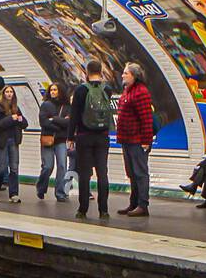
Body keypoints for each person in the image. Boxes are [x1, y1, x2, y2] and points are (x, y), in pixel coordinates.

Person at [69, 59, 112, 220]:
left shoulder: (81, 90)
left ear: (87, 72)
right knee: (102, 173)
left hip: (84, 136)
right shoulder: (107, 89)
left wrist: (70, 136)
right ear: (101, 71)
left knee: (85, 173)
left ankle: (83, 209)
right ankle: (104, 210)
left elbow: (74, 116)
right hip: (102, 137)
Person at [115, 62, 155, 217]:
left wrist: (146, 141)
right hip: (126, 139)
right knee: (131, 172)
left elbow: (146, 118)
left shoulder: (141, 92)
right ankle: (134, 202)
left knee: (140, 172)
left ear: (134, 75)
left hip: (137, 140)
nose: (123, 75)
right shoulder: (127, 91)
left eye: (126, 73)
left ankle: (143, 204)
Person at [0, 85, 27, 203]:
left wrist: (20, 120)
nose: (9, 94)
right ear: (3, 94)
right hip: (2, 141)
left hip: (14, 140)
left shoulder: (16, 108)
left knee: (14, 168)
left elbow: (24, 123)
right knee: (1, 166)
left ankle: (14, 194)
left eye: (11, 92)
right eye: (7, 92)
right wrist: (11, 119)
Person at [36, 82, 71, 202]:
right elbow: (44, 122)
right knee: (47, 167)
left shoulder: (67, 107)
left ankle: (60, 193)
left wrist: (54, 119)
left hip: (61, 141)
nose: (53, 92)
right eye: (51, 90)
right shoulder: (45, 105)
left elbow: (69, 123)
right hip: (48, 139)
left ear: (60, 91)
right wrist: (59, 125)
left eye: (55, 90)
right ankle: (41, 187)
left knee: (62, 166)